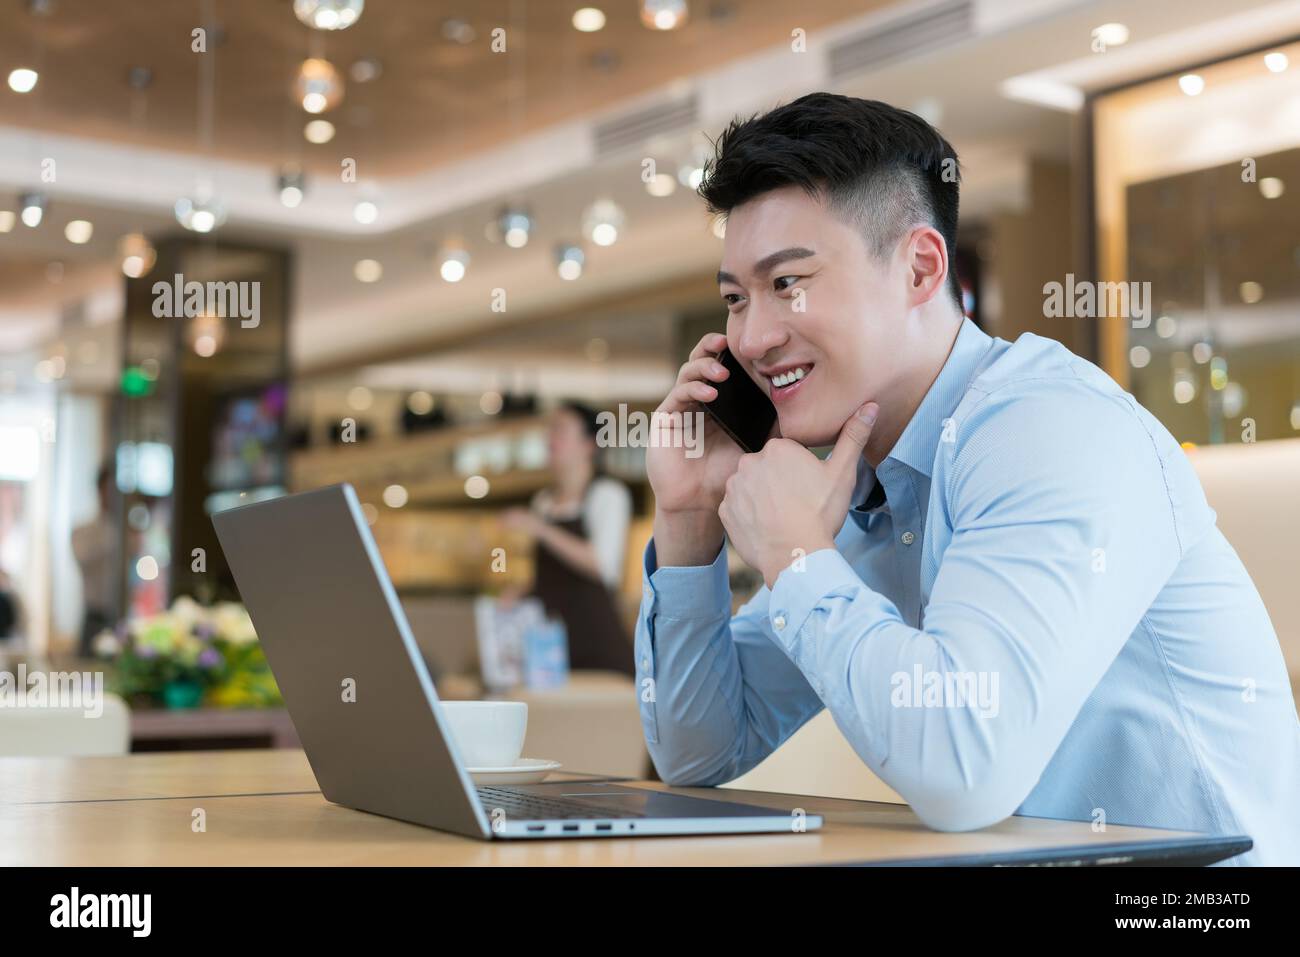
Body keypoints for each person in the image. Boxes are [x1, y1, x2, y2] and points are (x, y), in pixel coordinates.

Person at [636, 92, 1300, 865]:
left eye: (788, 284)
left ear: (920, 267)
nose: (750, 336)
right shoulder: (858, 492)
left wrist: (793, 557)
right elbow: (700, 752)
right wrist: (688, 517)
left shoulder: (1049, 427)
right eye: (734, 298)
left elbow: (964, 770)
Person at [501, 401, 635, 677]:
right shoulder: (544, 501)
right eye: (550, 430)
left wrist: (541, 529)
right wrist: (521, 592)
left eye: (560, 430)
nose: (550, 438)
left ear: (588, 444)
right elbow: (553, 575)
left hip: (597, 645)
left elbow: (603, 566)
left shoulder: (608, 494)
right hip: (550, 646)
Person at [72, 464, 118, 656]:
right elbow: (83, 558)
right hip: (94, 617)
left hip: (121, 617)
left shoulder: (128, 531)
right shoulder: (83, 531)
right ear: (100, 490)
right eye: (111, 488)